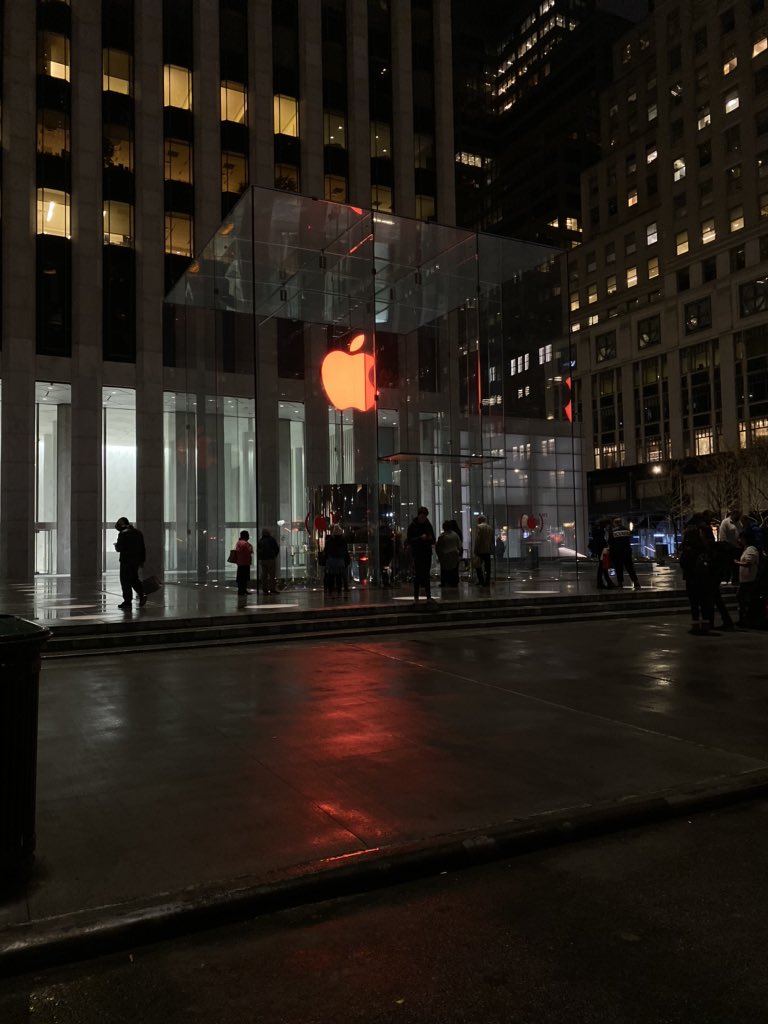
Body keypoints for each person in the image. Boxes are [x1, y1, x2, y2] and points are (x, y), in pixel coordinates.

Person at [678, 522, 717, 635]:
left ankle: (695, 625)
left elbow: (683, 563)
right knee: (704, 602)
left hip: (691, 578)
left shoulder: (688, 548)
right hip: (704, 578)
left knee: (694, 603)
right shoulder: (703, 547)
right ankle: (705, 624)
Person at [114, 517, 146, 610]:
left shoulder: (123, 534)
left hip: (125, 561)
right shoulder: (138, 533)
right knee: (134, 579)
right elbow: (143, 548)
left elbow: (120, 548)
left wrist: (116, 546)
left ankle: (127, 602)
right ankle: (142, 594)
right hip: (135, 561)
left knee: (125, 581)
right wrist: (142, 560)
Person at [406, 506, 436, 603]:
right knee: (418, 575)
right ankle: (416, 596)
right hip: (417, 553)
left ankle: (428, 596)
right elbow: (409, 540)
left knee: (426, 574)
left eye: (425, 517)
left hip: (426, 552)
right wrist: (420, 538)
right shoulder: (412, 526)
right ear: (419, 516)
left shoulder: (428, 525)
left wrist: (428, 538)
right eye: (422, 517)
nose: (423, 519)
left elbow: (433, 539)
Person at [735, 532, 760, 627]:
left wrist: (737, 562)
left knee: (744, 599)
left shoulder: (751, 549)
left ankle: (746, 619)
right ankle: (743, 619)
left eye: (740, 538)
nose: (739, 541)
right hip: (744, 579)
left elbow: (748, 563)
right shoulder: (746, 550)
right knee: (741, 599)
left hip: (749, 580)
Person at [608, 517, 640, 589]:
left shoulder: (613, 531)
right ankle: (636, 582)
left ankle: (620, 583)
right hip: (627, 551)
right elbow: (629, 538)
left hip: (618, 552)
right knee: (630, 568)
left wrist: (611, 554)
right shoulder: (627, 530)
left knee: (619, 568)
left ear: (615, 523)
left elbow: (611, 543)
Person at [323, 523, 349, 596]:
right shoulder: (343, 541)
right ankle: (339, 591)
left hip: (331, 561)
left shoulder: (329, 541)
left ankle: (330, 590)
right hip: (340, 561)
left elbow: (326, 551)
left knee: (331, 576)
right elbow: (345, 552)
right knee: (339, 577)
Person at [718, 508, 742, 585]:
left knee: (736, 566)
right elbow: (723, 536)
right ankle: (726, 580)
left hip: (738, 547)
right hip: (729, 548)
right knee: (728, 565)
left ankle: (735, 580)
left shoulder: (739, 522)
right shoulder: (725, 522)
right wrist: (727, 545)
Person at [436, 521, 462, 590]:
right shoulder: (455, 535)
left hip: (445, 555)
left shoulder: (442, 536)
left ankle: (444, 582)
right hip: (454, 554)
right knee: (454, 569)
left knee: (444, 570)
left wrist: (439, 555)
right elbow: (459, 545)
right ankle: (454, 582)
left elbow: (439, 547)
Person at [588, 520, 614, 589]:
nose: (608, 527)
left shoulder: (597, 532)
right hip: (602, 550)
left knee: (603, 566)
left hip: (600, 550)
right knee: (602, 566)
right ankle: (603, 582)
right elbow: (602, 542)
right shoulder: (601, 533)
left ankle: (605, 582)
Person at [233, 530, 254, 609]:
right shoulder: (245, 543)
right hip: (245, 562)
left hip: (240, 562)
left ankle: (241, 589)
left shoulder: (238, 542)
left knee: (240, 577)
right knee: (244, 577)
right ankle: (243, 589)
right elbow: (249, 551)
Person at [256, 528, 280, 595]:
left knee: (264, 575)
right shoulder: (271, 540)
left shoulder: (260, 540)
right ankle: (272, 589)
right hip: (270, 559)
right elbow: (276, 549)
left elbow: (258, 550)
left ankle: (265, 589)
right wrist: (274, 556)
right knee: (272, 575)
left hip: (263, 560)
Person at [473, 514, 493, 587]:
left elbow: (478, 539)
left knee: (478, 566)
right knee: (488, 567)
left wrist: (475, 549)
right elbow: (491, 540)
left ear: (479, 520)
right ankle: (487, 582)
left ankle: (481, 581)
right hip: (487, 550)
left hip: (480, 550)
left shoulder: (479, 527)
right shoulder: (490, 527)